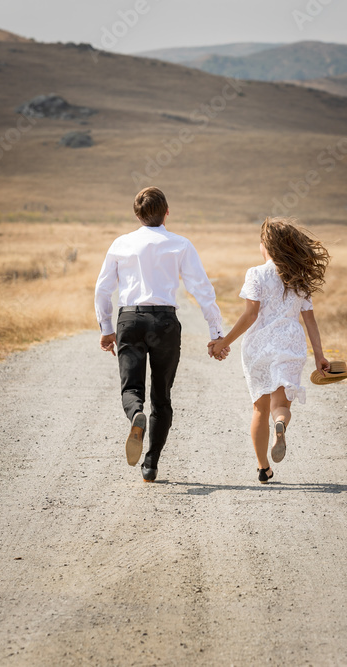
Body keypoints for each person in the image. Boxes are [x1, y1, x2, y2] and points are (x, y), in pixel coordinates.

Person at [95, 187, 229, 482]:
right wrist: (217, 332)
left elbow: (103, 289)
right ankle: (151, 463)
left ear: (136, 213)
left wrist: (106, 329)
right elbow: (201, 289)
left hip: (130, 318)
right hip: (165, 322)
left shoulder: (121, 243)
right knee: (162, 396)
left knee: (131, 388)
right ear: (167, 212)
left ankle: (135, 416)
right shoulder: (180, 244)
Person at [207, 218, 331, 484]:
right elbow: (310, 320)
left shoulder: (256, 274)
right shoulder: (299, 277)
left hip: (259, 345)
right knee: (280, 404)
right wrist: (320, 356)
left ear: (267, 246)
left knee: (259, 409)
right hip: (290, 342)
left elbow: (250, 314)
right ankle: (281, 425)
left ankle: (263, 468)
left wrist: (224, 341)